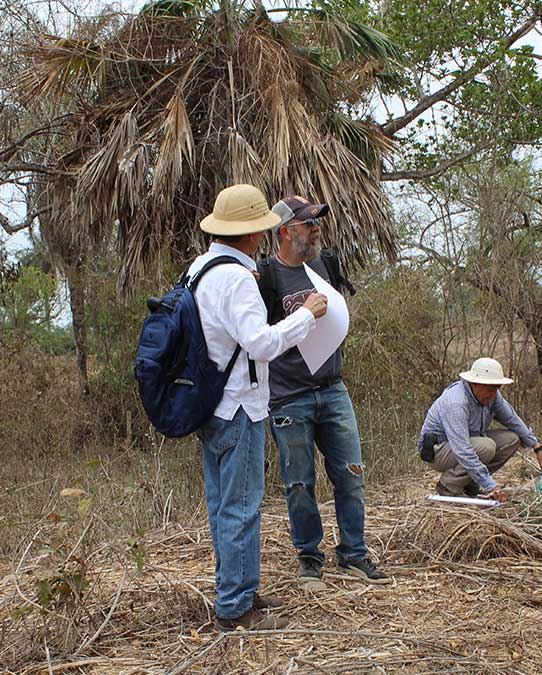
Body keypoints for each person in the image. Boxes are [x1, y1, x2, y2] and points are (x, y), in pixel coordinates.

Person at [189, 184, 328, 631]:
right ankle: (234, 607)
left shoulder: (201, 269)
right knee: (240, 508)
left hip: (209, 405)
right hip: (239, 407)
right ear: (252, 234)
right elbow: (261, 344)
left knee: (223, 506)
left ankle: (241, 588)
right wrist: (307, 314)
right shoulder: (237, 280)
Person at [257, 195, 390, 587]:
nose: (316, 230)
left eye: (316, 223)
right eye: (307, 224)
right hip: (288, 396)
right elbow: (260, 337)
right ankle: (309, 557)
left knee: (351, 474)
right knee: (299, 483)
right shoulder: (266, 277)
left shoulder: (325, 265)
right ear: (284, 231)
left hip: (333, 390)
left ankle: (353, 553)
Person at [417, 357, 542, 501]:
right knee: (486, 447)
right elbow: (463, 450)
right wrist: (491, 486)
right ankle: (449, 485)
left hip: (465, 445)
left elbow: (512, 419)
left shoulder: (492, 396)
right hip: (438, 451)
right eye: (490, 389)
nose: (494, 394)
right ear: (475, 384)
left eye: (497, 388)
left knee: (512, 440)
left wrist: (537, 446)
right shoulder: (456, 403)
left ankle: (469, 484)